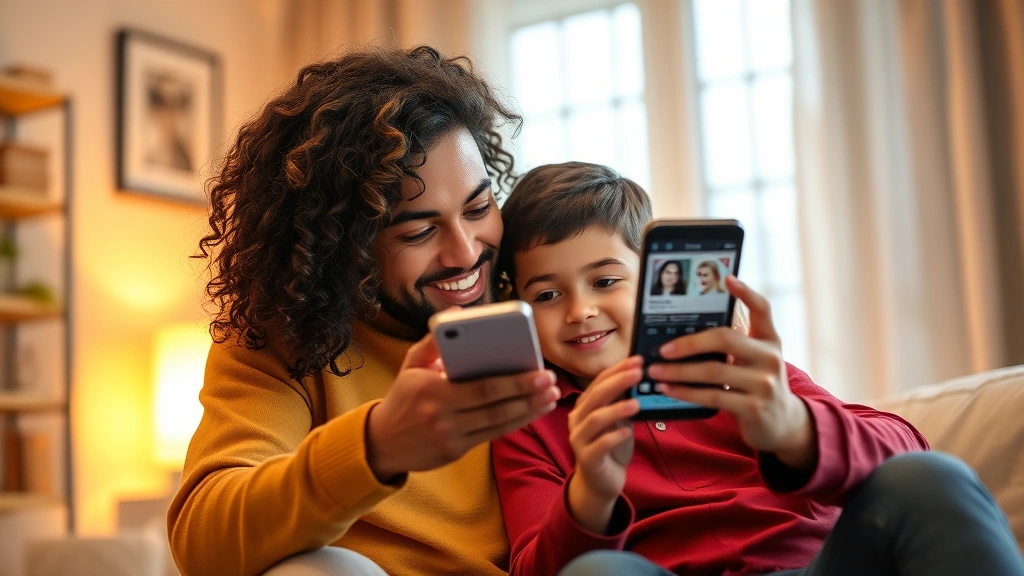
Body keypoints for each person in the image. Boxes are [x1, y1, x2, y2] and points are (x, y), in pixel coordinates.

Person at [491, 161, 1024, 576]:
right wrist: (591, 493)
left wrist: (793, 428)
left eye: (605, 281)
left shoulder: (741, 369)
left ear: (656, 278)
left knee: (926, 479)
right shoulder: (528, 423)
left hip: (818, 566)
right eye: (548, 294)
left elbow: (906, 451)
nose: (580, 309)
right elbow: (538, 568)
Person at [167, 45, 562, 576]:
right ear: (342, 243)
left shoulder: (542, 299)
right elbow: (204, 540)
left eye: (478, 207)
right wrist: (378, 446)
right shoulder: (284, 338)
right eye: (419, 231)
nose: (467, 252)